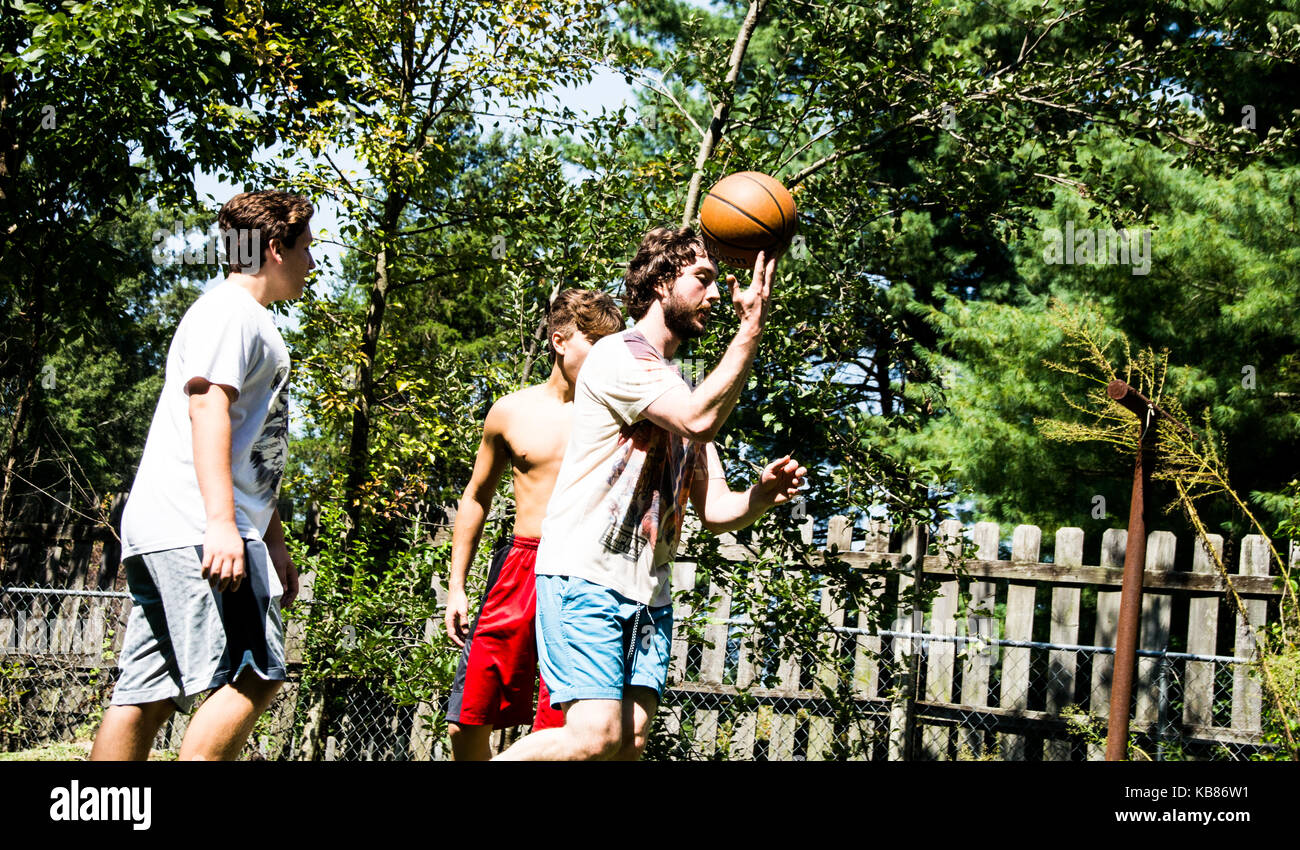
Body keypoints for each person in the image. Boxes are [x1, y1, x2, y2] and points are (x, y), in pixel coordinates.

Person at [495, 227, 806, 761]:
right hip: (585, 575)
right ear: (663, 281)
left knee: (629, 744)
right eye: (702, 280)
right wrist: (751, 327)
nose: (715, 295)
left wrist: (759, 495)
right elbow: (698, 419)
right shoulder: (619, 356)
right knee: (594, 737)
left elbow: (714, 509)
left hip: (648, 594)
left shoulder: (678, 385)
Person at [90, 190, 314, 760]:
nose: (312, 262)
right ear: (275, 249)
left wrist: (273, 537)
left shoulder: (244, 318)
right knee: (255, 673)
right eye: (307, 247)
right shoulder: (231, 313)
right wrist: (220, 525)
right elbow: (208, 407)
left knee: (148, 692)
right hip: (197, 525)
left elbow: (253, 451)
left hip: (176, 523)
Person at [444, 288, 624, 760]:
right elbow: (476, 497)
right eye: (596, 344)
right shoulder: (510, 411)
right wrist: (457, 586)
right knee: (467, 721)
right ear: (560, 340)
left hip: (580, 575)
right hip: (519, 568)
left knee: (562, 725)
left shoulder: (618, 415)